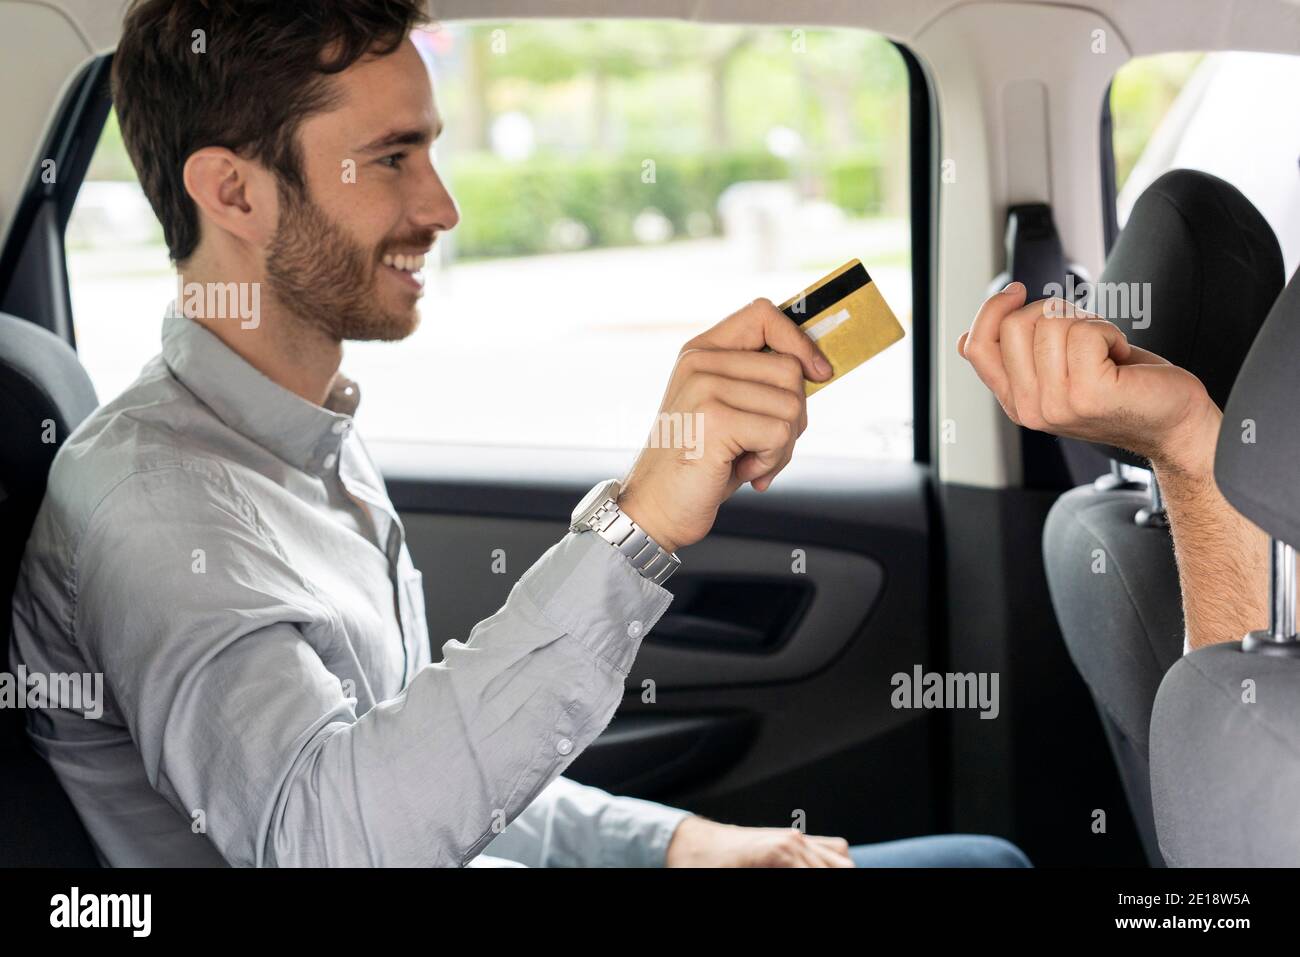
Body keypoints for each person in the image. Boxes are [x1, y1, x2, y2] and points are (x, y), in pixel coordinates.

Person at [9, 0, 1027, 869]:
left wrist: (671, 844)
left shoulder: (305, 438)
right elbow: (331, 835)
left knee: (987, 862)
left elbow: (422, 766)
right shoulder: (157, 503)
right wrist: (636, 528)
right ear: (234, 192)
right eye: (392, 159)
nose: (442, 206)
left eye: (431, 151)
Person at [958, 281, 1273, 652]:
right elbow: (1236, 702)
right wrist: (1185, 441)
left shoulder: (1081, 525)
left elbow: (1232, 703)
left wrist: (1187, 440)